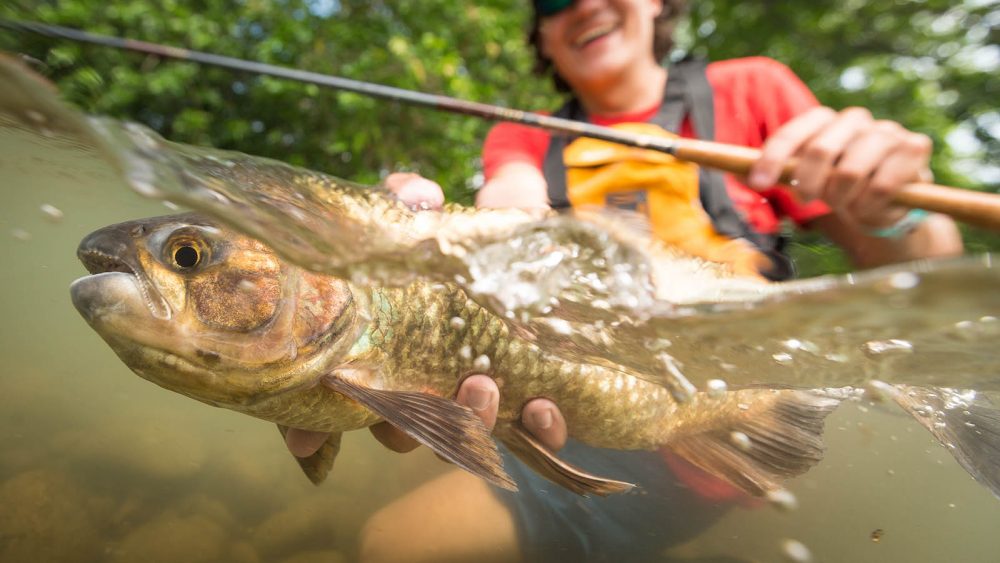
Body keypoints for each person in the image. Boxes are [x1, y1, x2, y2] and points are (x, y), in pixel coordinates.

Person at [286, 0, 964, 560]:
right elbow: (510, 214)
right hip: (572, 399)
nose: (583, 6)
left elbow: (930, 265)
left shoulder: (752, 88)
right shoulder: (523, 139)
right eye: (553, 2)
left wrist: (897, 209)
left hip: (719, 422)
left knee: (389, 543)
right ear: (543, 37)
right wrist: (400, 242)